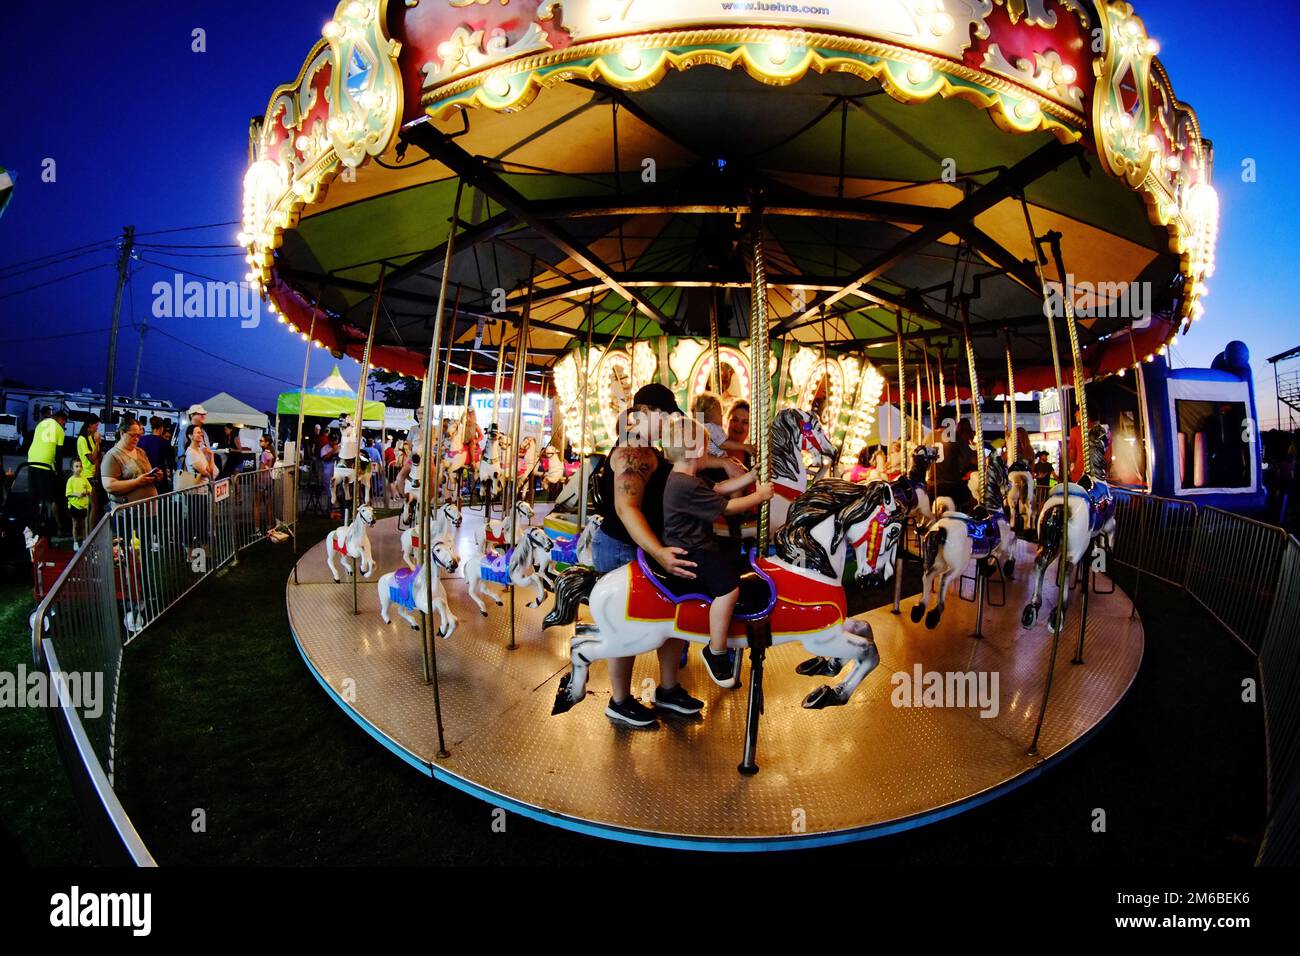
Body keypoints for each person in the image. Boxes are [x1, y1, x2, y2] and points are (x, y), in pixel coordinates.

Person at [591, 383, 746, 728]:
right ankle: (619, 699)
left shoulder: (655, 452)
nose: (669, 424)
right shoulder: (632, 451)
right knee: (624, 624)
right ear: (644, 412)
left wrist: (724, 462)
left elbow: (689, 459)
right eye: (667, 417)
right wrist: (658, 551)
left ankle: (668, 688)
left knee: (677, 610)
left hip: (657, 548)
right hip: (624, 545)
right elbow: (626, 507)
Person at [661, 418, 772, 687]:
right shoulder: (684, 485)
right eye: (708, 449)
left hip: (698, 544)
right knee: (729, 589)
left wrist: (750, 476)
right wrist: (759, 496)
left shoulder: (685, 477)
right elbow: (727, 508)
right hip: (692, 551)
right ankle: (716, 650)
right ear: (698, 451)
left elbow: (719, 488)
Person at [101, 416, 164, 508]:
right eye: (133, 435)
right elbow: (109, 486)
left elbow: (146, 473)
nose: (136, 439)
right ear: (122, 433)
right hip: (127, 514)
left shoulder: (141, 452)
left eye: (138, 435)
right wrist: (136, 482)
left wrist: (156, 477)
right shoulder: (112, 455)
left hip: (149, 511)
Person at [27, 407, 68, 532]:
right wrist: (59, 472)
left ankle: (32, 524)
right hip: (46, 463)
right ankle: (60, 526)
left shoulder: (41, 424)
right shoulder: (59, 430)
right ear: (60, 419)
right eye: (64, 422)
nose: (64, 425)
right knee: (54, 498)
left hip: (31, 460)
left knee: (34, 495)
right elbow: (59, 454)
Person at [692, 392, 754, 459]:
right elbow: (723, 444)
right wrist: (744, 446)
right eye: (735, 420)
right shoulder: (711, 427)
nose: (739, 425)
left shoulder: (750, 456)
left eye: (745, 422)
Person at [934, 418, 977, 511]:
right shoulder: (956, 437)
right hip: (952, 483)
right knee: (969, 494)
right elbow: (967, 459)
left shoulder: (931, 436)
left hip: (934, 484)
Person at [75, 416, 104, 527]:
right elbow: (92, 459)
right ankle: (91, 531)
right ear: (89, 425)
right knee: (94, 505)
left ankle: (90, 531)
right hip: (87, 475)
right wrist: (97, 443)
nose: (97, 428)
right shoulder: (82, 439)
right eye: (96, 425)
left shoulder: (90, 437)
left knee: (94, 505)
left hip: (93, 474)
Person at [178, 425, 218, 489]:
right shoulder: (191, 453)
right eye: (198, 432)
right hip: (197, 492)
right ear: (190, 436)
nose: (201, 434)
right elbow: (206, 473)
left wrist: (211, 455)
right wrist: (211, 479)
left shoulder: (199, 450)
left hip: (204, 489)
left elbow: (210, 470)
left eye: (201, 432)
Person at [65, 460, 93, 548]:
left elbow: (90, 489)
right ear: (72, 468)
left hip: (84, 505)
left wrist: (86, 491)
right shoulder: (70, 480)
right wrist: (77, 494)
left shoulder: (84, 479)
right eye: (76, 466)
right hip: (74, 505)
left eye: (80, 466)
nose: (79, 468)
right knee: (75, 524)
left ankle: (84, 540)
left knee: (84, 524)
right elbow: (68, 493)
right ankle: (75, 542)